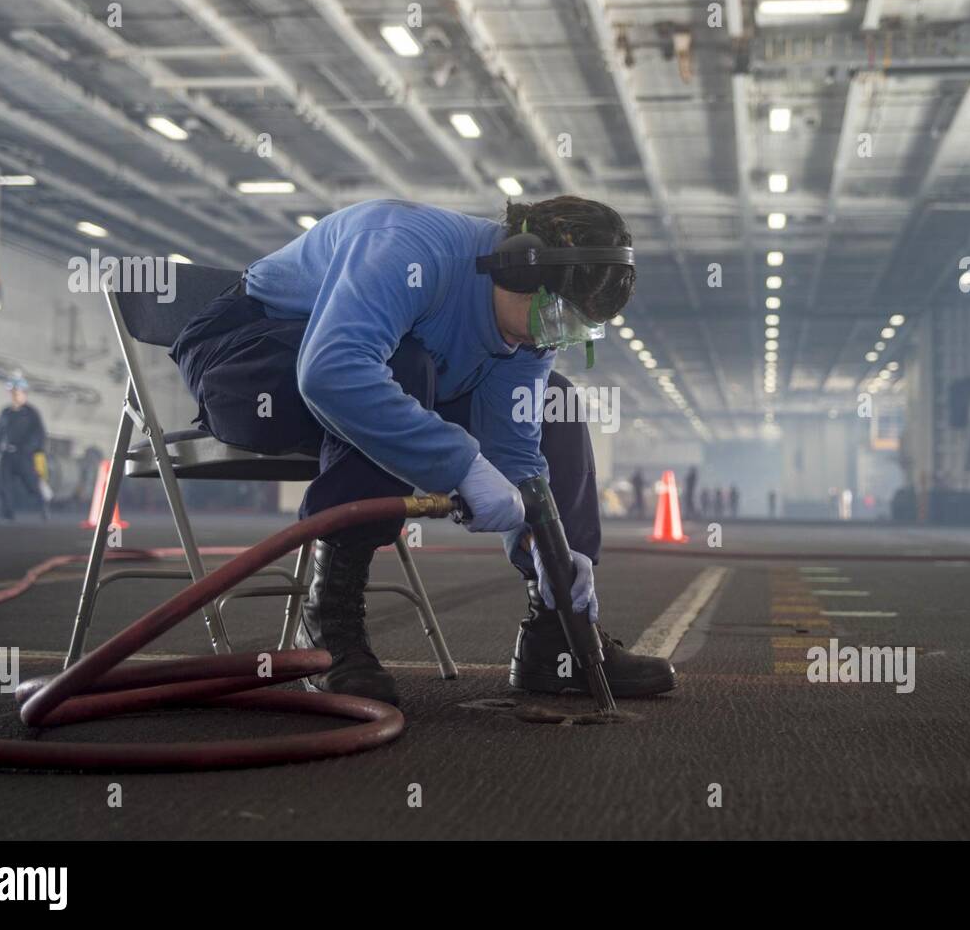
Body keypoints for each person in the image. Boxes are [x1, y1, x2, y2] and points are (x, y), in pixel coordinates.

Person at [169, 196, 674, 704]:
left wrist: (550, 544)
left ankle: (559, 635)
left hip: (391, 372)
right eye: (555, 316)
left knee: (555, 402)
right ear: (519, 267)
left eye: (574, 330)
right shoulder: (407, 247)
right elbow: (332, 371)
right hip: (243, 360)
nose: (553, 337)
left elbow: (516, 452)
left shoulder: (527, 336)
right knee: (400, 367)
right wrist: (461, 463)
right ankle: (329, 623)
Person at [0, 372, 48, 523]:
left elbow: (39, 434)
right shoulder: (5, 413)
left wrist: (34, 449)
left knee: (31, 484)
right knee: (3, 484)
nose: (15, 395)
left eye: (18, 392)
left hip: (25, 455)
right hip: (7, 454)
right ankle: (6, 514)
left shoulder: (31, 413)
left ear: (24, 394)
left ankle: (42, 508)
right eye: (13, 392)